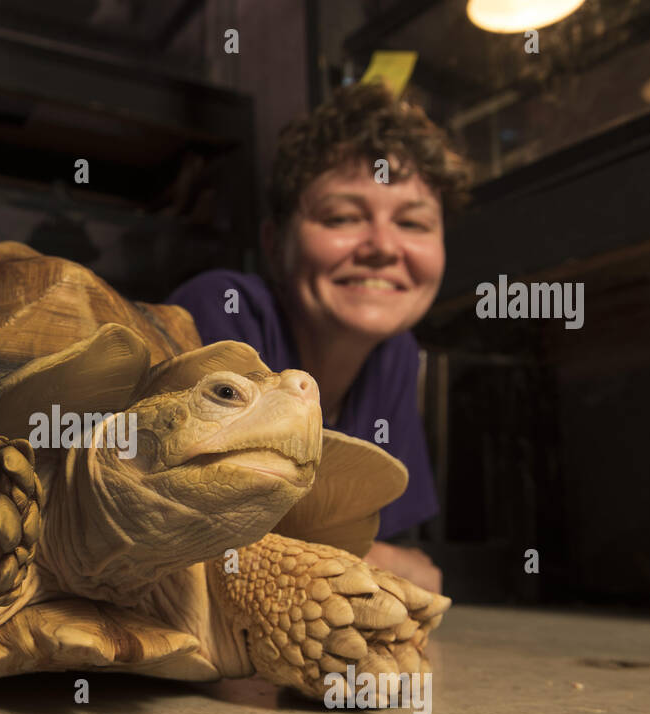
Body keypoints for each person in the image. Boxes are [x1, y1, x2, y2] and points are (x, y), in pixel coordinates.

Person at [166, 82, 471, 592]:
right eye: (343, 218)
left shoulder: (394, 354)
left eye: (413, 223)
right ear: (275, 243)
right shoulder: (221, 308)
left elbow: (382, 546)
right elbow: (200, 536)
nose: (382, 247)